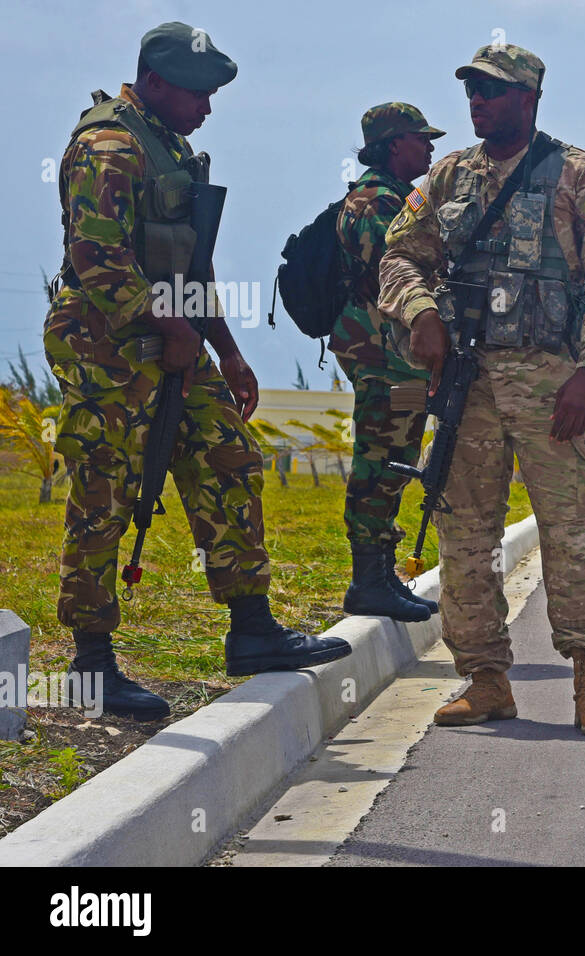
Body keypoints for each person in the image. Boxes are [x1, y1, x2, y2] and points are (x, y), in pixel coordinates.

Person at [44, 22, 350, 721]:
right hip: (106, 342)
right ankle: (91, 667)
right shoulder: (108, 148)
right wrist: (173, 330)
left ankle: (252, 632)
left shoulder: (169, 144)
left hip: (172, 337)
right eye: (198, 93)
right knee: (105, 491)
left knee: (230, 458)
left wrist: (227, 350)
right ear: (154, 82)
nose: (208, 108)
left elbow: (190, 259)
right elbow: (99, 261)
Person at [379, 43, 585, 735]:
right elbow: (399, 254)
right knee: (464, 532)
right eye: (472, 90)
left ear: (530, 98)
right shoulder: (449, 176)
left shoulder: (579, 174)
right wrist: (420, 311)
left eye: (493, 90)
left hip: (554, 380)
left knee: (571, 529)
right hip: (468, 382)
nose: (478, 101)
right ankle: (485, 678)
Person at [332, 103, 445, 624]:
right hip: (381, 354)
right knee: (380, 460)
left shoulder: (401, 198)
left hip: (396, 355)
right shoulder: (376, 201)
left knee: (395, 458)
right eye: (421, 139)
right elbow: (397, 272)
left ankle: (379, 575)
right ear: (394, 143)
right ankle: (368, 580)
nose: (430, 147)